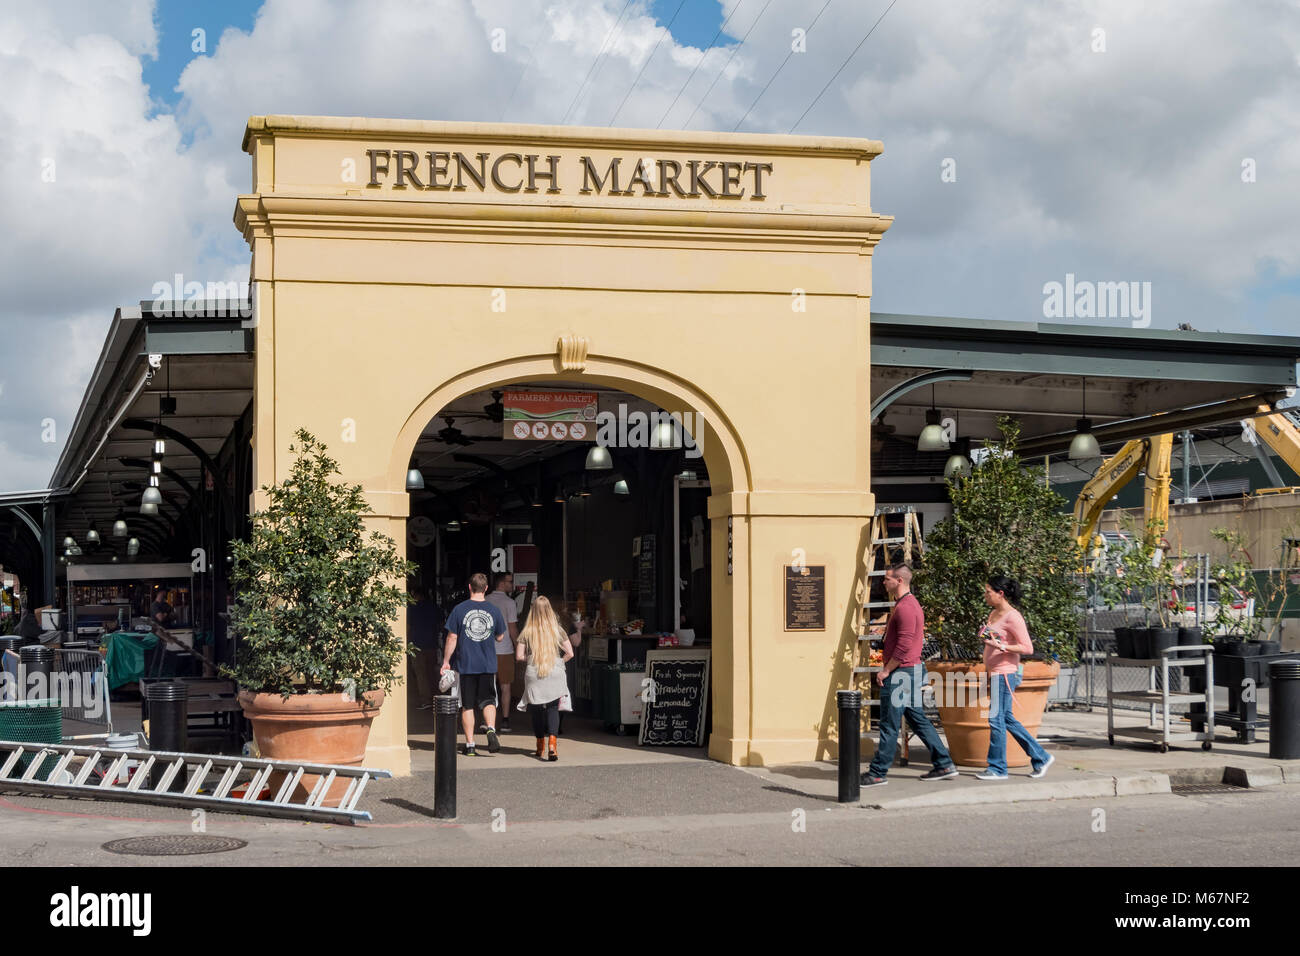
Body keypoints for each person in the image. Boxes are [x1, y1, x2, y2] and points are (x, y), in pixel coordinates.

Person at [860, 563, 957, 787]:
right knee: (917, 718)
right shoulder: (906, 604)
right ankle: (943, 763)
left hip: (901, 673)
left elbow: (903, 646)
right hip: (909, 671)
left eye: (887, 579)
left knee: (889, 723)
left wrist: (886, 670)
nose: (883, 582)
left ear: (899, 581)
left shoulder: (906, 608)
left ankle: (877, 773)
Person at [976, 574, 1054, 780]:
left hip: (1005, 673)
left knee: (996, 719)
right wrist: (985, 635)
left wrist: (1002, 646)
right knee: (1006, 719)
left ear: (1000, 594)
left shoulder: (1013, 616)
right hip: (994, 673)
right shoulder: (993, 613)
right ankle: (1041, 756)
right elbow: (993, 638)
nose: (985, 595)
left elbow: (1027, 647)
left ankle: (998, 768)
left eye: (988, 592)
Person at [440, 573, 508, 756]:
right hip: (487, 665)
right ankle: (491, 729)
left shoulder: (459, 609)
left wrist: (446, 661)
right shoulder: (494, 610)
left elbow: (452, 637)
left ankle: (470, 745)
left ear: (469, 587)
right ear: (486, 589)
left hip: (466, 665)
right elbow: (501, 636)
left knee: (467, 705)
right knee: (488, 700)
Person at [514, 596, 575, 761]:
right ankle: (552, 745)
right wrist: (559, 662)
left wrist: (533, 659)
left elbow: (519, 656)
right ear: (550, 611)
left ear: (533, 611)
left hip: (535, 671)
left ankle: (540, 745)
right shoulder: (558, 630)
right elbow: (570, 653)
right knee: (553, 708)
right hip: (555, 671)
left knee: (536, 710)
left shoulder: (527, 631)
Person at [486, 572, 519, 731]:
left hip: (487, 650)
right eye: (510, 582)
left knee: (489, 686)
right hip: (505, 649)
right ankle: (505, 719)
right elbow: (512, 629)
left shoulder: (485, 600)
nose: (512, 585)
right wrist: (519, 646)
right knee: (505, 686)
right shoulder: (510, 603)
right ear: (501, 583)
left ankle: (488, 721)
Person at [406, 585, 446, 710]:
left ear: (415, 594)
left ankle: (426, 700)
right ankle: (436, 697)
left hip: (416, 644)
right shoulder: (434, 607)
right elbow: (442, 625)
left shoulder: (411, 609)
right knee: (431, 673)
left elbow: (407, 627)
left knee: (420, 674)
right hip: (432, 644)